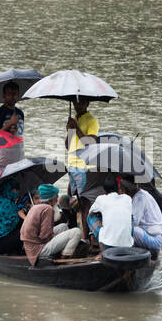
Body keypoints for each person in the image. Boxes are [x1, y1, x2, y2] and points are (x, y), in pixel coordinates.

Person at [21, 184, 84, 266]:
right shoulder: (48, 209)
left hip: (30, 246)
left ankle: (63, 250)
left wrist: (57, 235)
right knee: (77, 232)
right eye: (56, 196)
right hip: (38, 250)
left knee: (63, 226)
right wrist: (56, 236)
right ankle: (64, 259)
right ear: (52, 198)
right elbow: (44, 237)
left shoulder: (35, 207)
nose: (58, 198)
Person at [65, 96, 99, 237]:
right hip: (72, 165)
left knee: (85, 203)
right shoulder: (75, 120)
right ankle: (78, 232)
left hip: (83, 166)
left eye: (80, 102)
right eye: (75, 102)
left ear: (87, 103)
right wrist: (69, 131)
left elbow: (90, 143)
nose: (77, 105)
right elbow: (68, 146)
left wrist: (76, 128)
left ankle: (86, 237)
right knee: (73, 201)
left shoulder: (92, 120)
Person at [0, 179, 28, 256]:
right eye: (14, 190)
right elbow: (15, 221)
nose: (16, 192)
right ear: (7, 190)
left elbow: (17, 212)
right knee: (25, 230)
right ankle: (22, 251)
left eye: (17, 189)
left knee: (24, 226)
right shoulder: (4, 204)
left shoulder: (7, 201)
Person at [87, 177, 134, 250]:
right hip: (128, 245)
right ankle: (127, 239)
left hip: (107, 244)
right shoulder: (127, 198)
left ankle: (101, 249)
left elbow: (91, 211)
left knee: (90, 216)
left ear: (104, 191)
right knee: (131, 218)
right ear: (118, 188)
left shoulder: (101, 199)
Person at [127, 179, 162, 251]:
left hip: (155, 240)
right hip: (153, 235)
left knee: (130, 229)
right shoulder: (142, 194)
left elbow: (134, 222)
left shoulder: (139, 197)